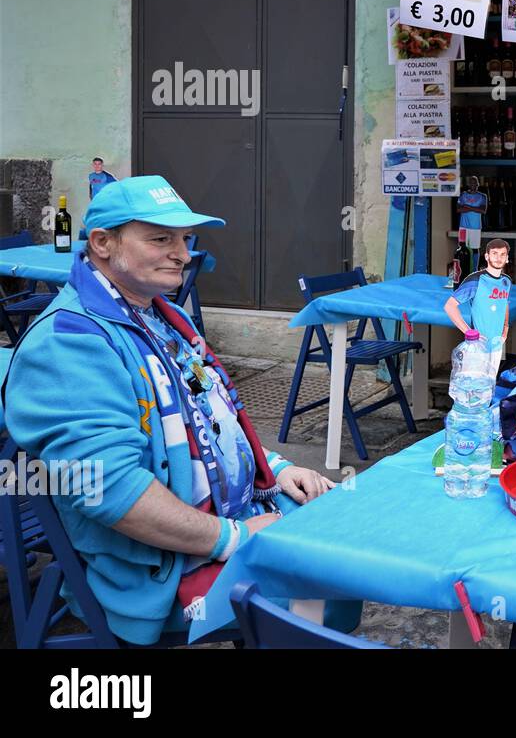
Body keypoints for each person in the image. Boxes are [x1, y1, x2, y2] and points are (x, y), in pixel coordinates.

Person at [1, 175, 345, 645]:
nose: (183, 254)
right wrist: (237, 539)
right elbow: (112, 491)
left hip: (229, 515)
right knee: (326, 591)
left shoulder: (160, 311)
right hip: (157, 575)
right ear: (102, 243)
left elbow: (211, 415)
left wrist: (277, 468)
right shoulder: (68, 344)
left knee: (344, 530)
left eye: (184, 239)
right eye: (161, 238)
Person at [444, 238, 511, 371]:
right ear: (486, 256)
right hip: (477, 347)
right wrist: (469, 332)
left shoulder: (506, 281)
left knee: (490, 384)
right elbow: (449, 306)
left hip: (497, 344)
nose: (498, 258)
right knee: (475, 387)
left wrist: (506, 328)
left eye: (502, 254)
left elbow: (505, 303)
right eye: (494, 253)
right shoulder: (475, 280)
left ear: (507, 258)